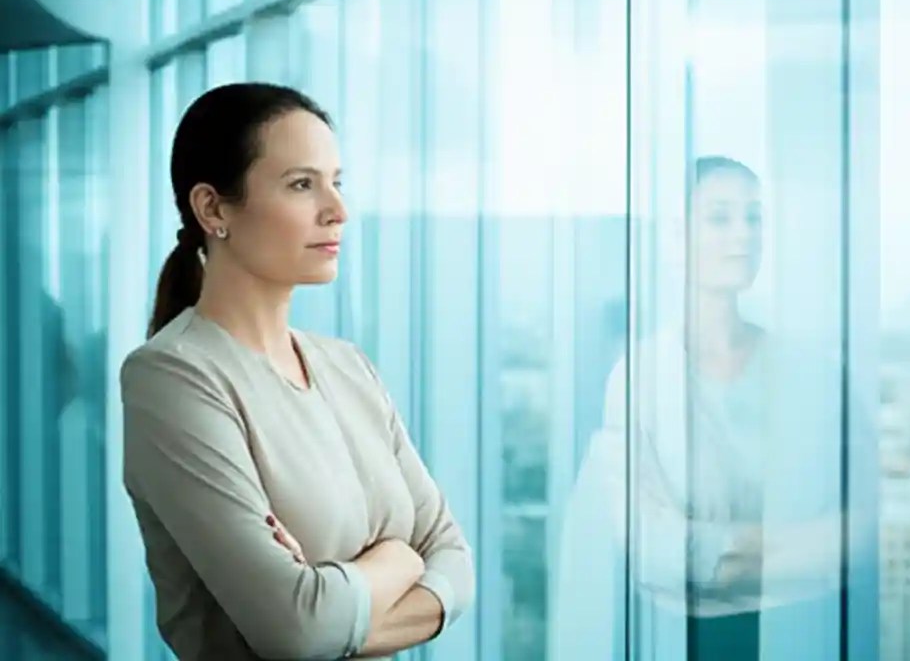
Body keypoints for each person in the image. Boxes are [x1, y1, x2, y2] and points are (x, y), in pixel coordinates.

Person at [120, 83, 473, 660]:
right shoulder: (173, 378)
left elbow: (455, 563)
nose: (338, 209)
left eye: (337, 181)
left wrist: (340, 607)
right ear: (212, 209)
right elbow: (298, 630)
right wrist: (401, 558)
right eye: (302, 184)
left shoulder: (347, 366)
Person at [553, 157, 845, 660]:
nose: (744, 235)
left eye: (754, 217)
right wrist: (798, 546)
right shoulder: (644, 375)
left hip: (803, 634)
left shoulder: (811, 372)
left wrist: (716, 548)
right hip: (686, 641)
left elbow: (855, 537)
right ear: (675, 236)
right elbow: (655, 550)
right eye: (720, 217)